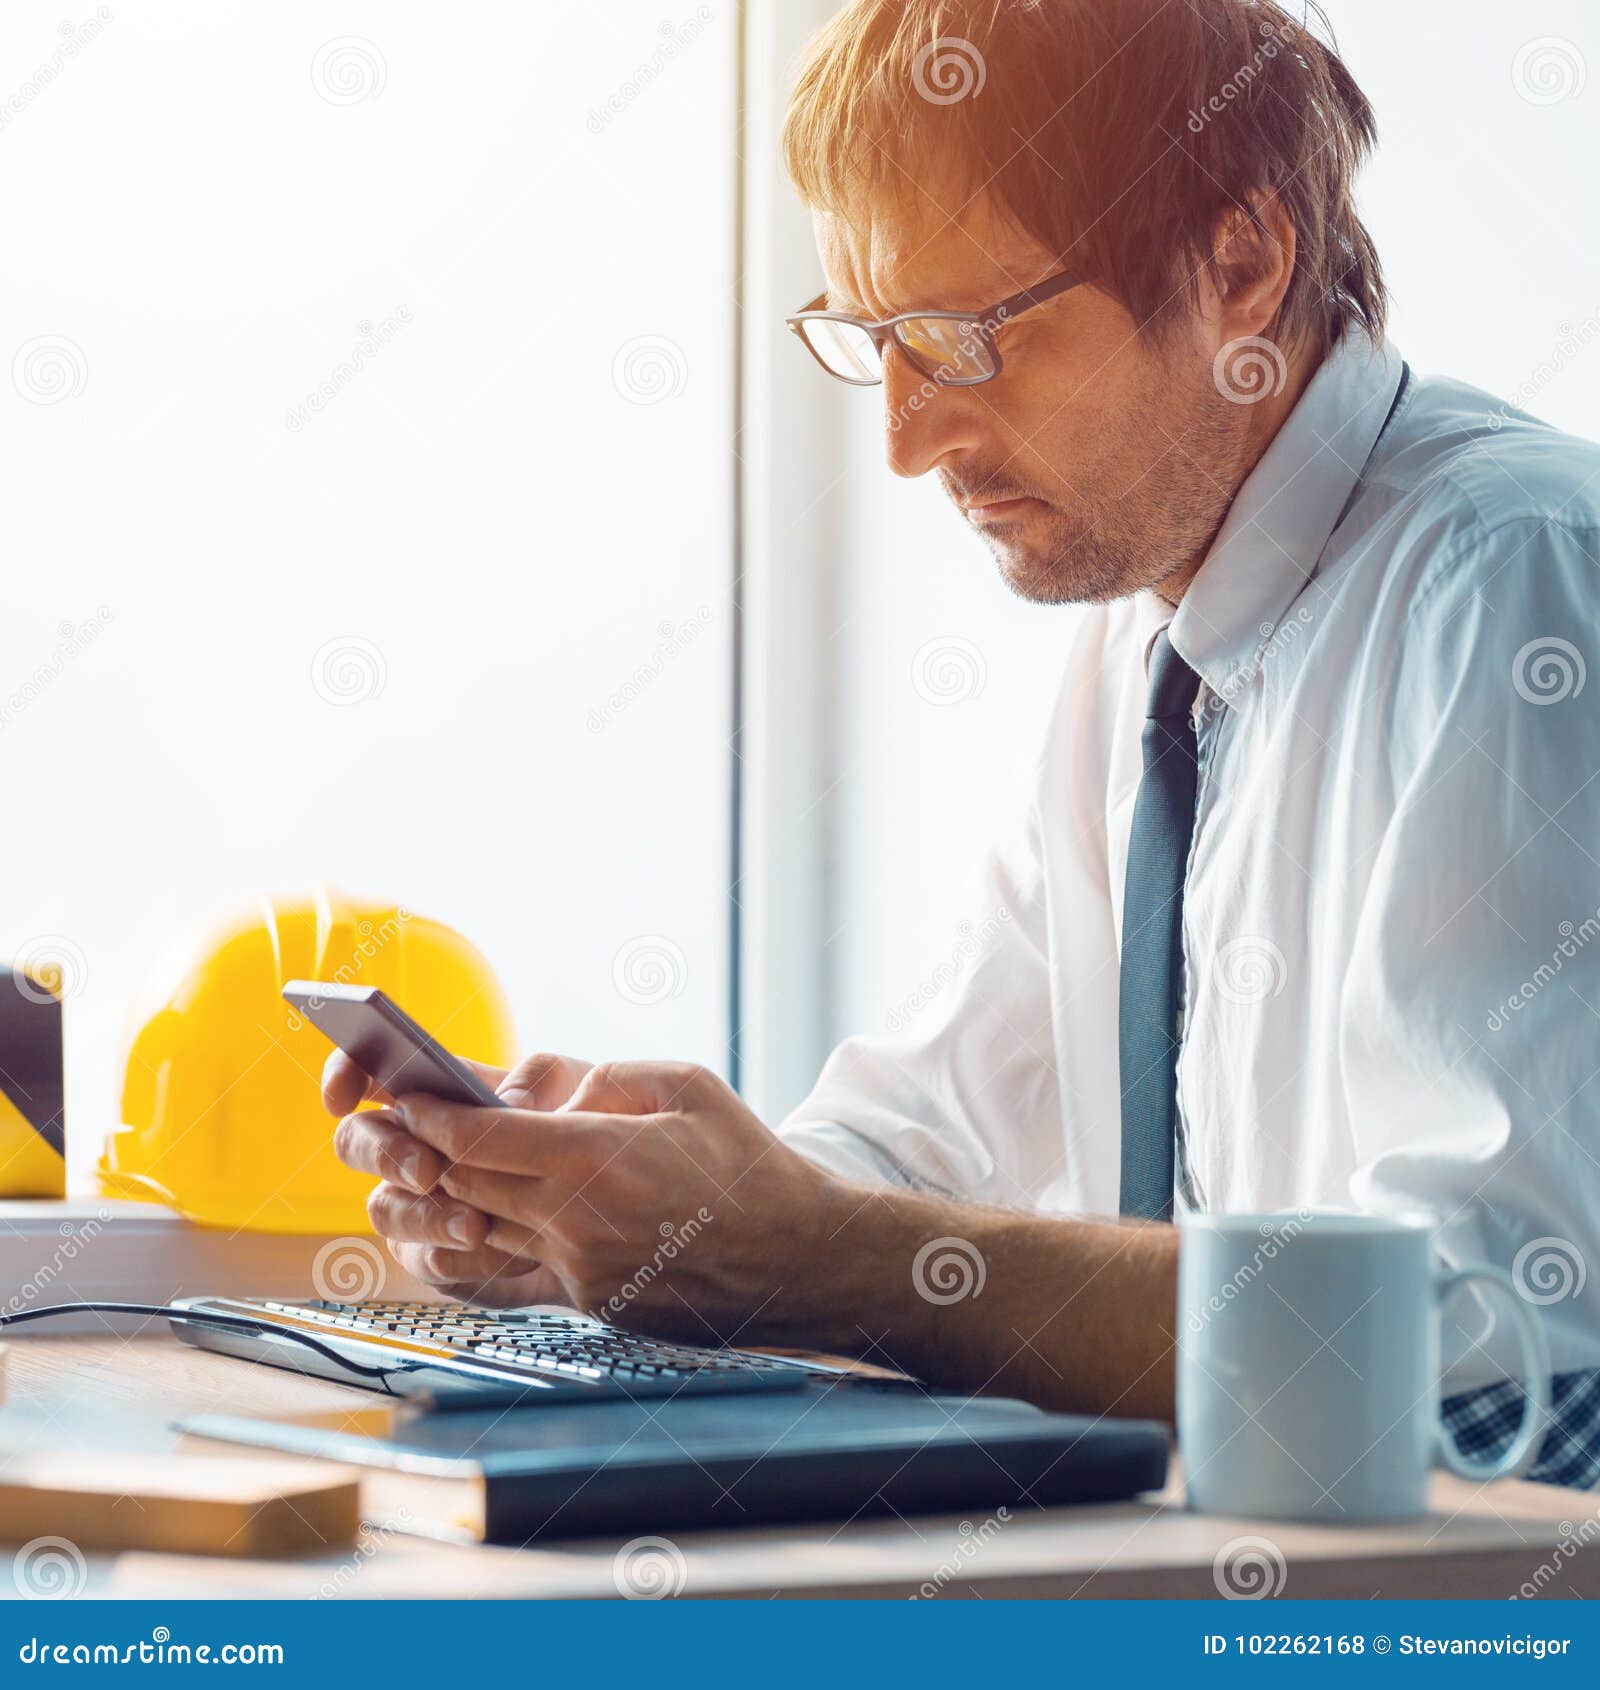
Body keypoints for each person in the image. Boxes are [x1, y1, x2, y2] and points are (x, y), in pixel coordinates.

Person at [327, 0, 1600, 1485]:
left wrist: (808, 1255)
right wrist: (614, 1214)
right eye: (875, 342)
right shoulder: (1149, 650)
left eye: (960, 338)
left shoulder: (1508, 590)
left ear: (1239, 261)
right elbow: (917, 1150)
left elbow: (1493, 1348)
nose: (908, 440)